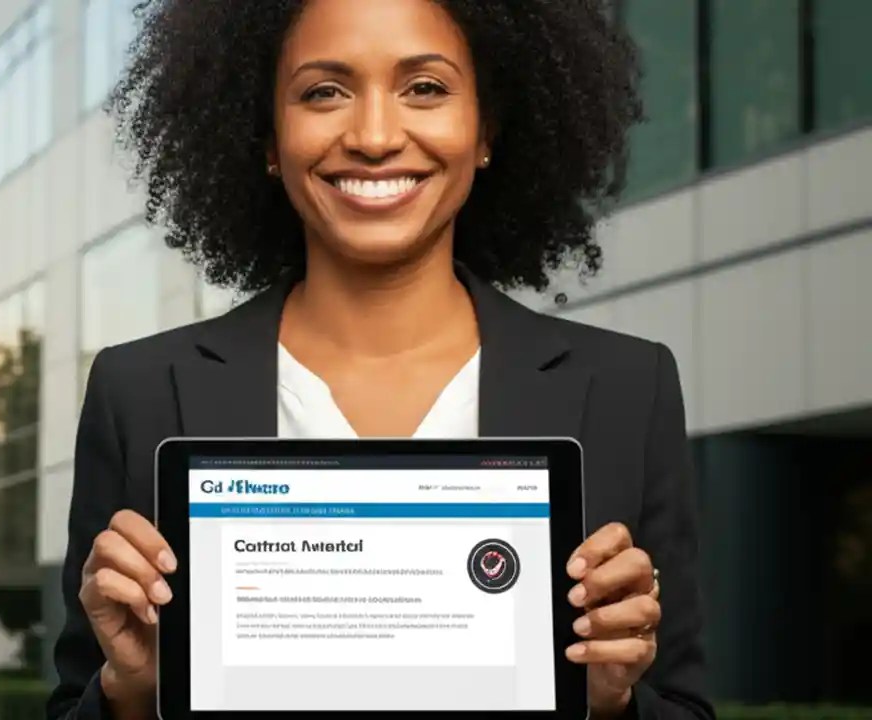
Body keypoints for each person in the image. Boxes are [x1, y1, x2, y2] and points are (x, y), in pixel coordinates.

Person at [47, 0, 712, 718]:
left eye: (424, 87)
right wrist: (129, 693)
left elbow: (683, 703)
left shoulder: (626, 390)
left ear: (485, 130)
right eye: (323, 92)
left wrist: (610, 704)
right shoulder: (138, 393)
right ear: (268, 137)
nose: (373, 136)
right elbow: (77, 700)